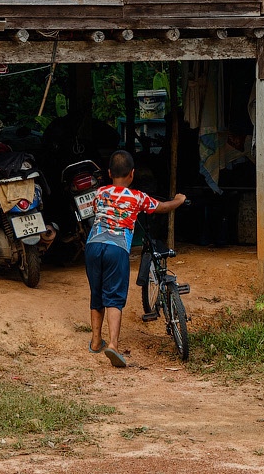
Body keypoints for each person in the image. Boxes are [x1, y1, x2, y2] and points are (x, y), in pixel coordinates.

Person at [85, 149, 185, 367]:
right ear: (132, 174)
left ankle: (95, 341)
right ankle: (112, 344)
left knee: (97, 292)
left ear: (110, 173)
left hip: (92, 246)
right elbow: (163, 207)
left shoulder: (99, 193)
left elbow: (96, 211)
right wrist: (178, 200)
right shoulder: (138, 197)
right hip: (116, 248)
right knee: (113, 297)